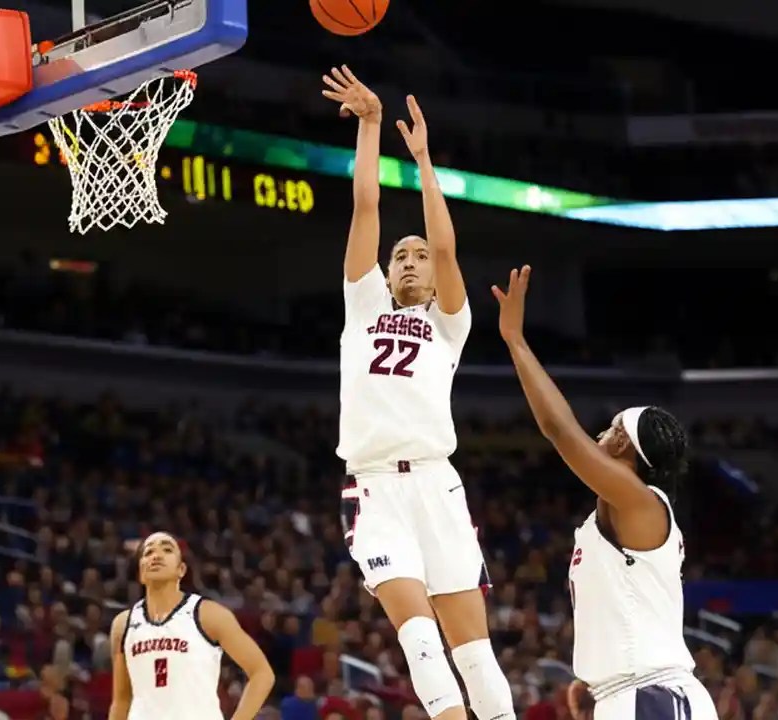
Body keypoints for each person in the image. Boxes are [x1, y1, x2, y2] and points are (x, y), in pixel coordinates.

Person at [321, 65, 515, 720]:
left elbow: (447, 244)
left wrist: (425, 160)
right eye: (399, 255)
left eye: (416, 256)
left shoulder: (450, 322)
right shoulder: (364, 302)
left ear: (434, 278)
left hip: (438, 482)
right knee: (418, 634)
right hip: (374, 486)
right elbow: (366, 206)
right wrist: (371, 126)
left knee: (474, 651)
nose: (407, 259)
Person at [493, 265, 717, 719]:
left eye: (613, 427)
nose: (600, 431)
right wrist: (596, 681)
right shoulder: (617, 516)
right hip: (627, 694)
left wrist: (515, 340)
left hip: (653, 695)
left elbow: (559, 428)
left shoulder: (642, 502)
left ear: (625, 447)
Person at [109, 532, 274, 720]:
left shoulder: (208, 614)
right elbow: (122, 700)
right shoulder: (123, 625)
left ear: (181, 569)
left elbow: (262, 673)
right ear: (140, 573)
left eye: (167, 549)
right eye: (148, 552)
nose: (156, 555)